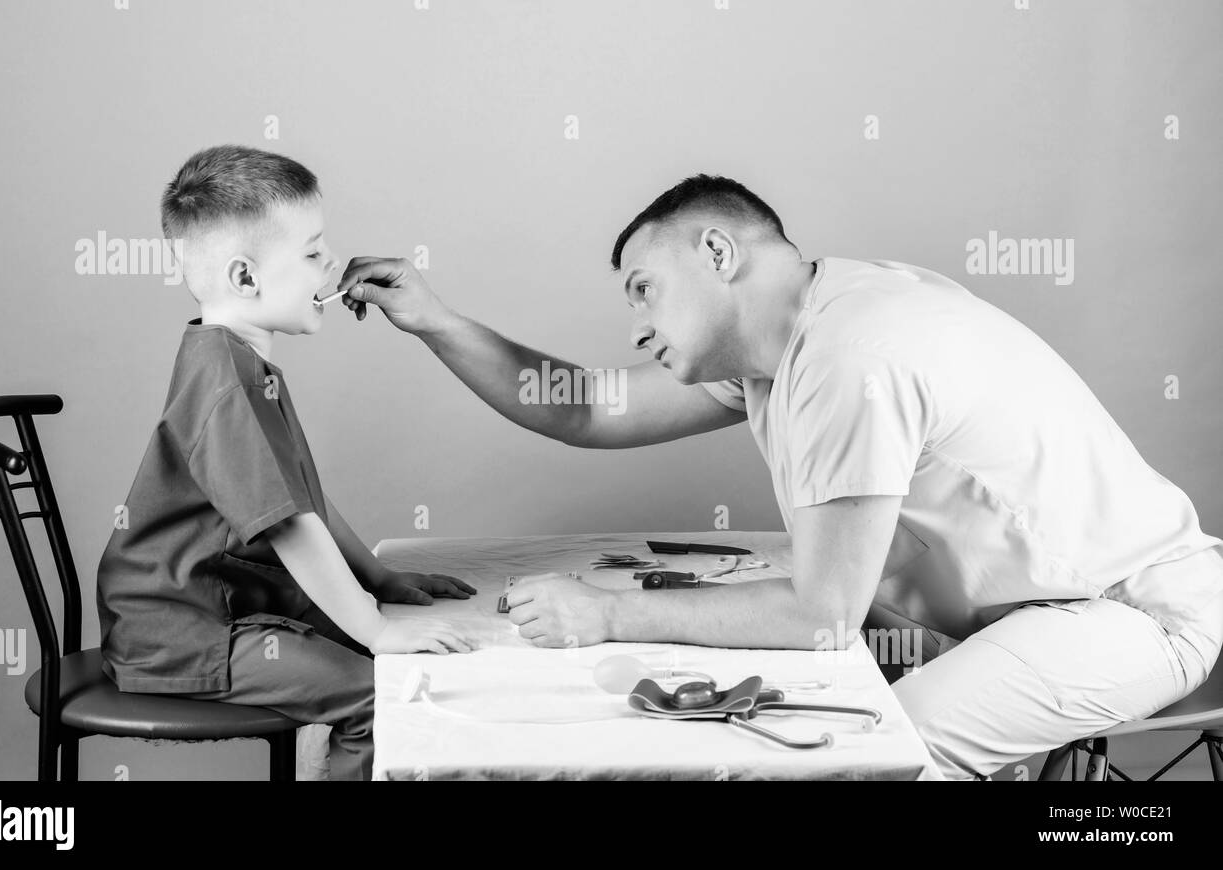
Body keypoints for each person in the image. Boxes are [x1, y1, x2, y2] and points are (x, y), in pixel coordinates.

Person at [335, 174, 1223, 779]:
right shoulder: (783, 338)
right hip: (1021, 606)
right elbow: (583, 408)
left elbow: (822, 614)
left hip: (1128, 613)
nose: (635, 324)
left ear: (717, 253)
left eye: (643, 288)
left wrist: (604, 611)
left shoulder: (852, 350)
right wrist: (436, 321)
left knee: (875, 759)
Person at [96, 145, 477, 781]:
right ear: (246, 279)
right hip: (181, 632)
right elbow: (288, 526)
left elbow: (307, 503)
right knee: (379, 694)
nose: (331, 263)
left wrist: (378, 582)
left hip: (225, 606)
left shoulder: (242, 363)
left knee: (405, 653)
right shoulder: (227, 382)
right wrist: (377, 631)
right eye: (311, 252)